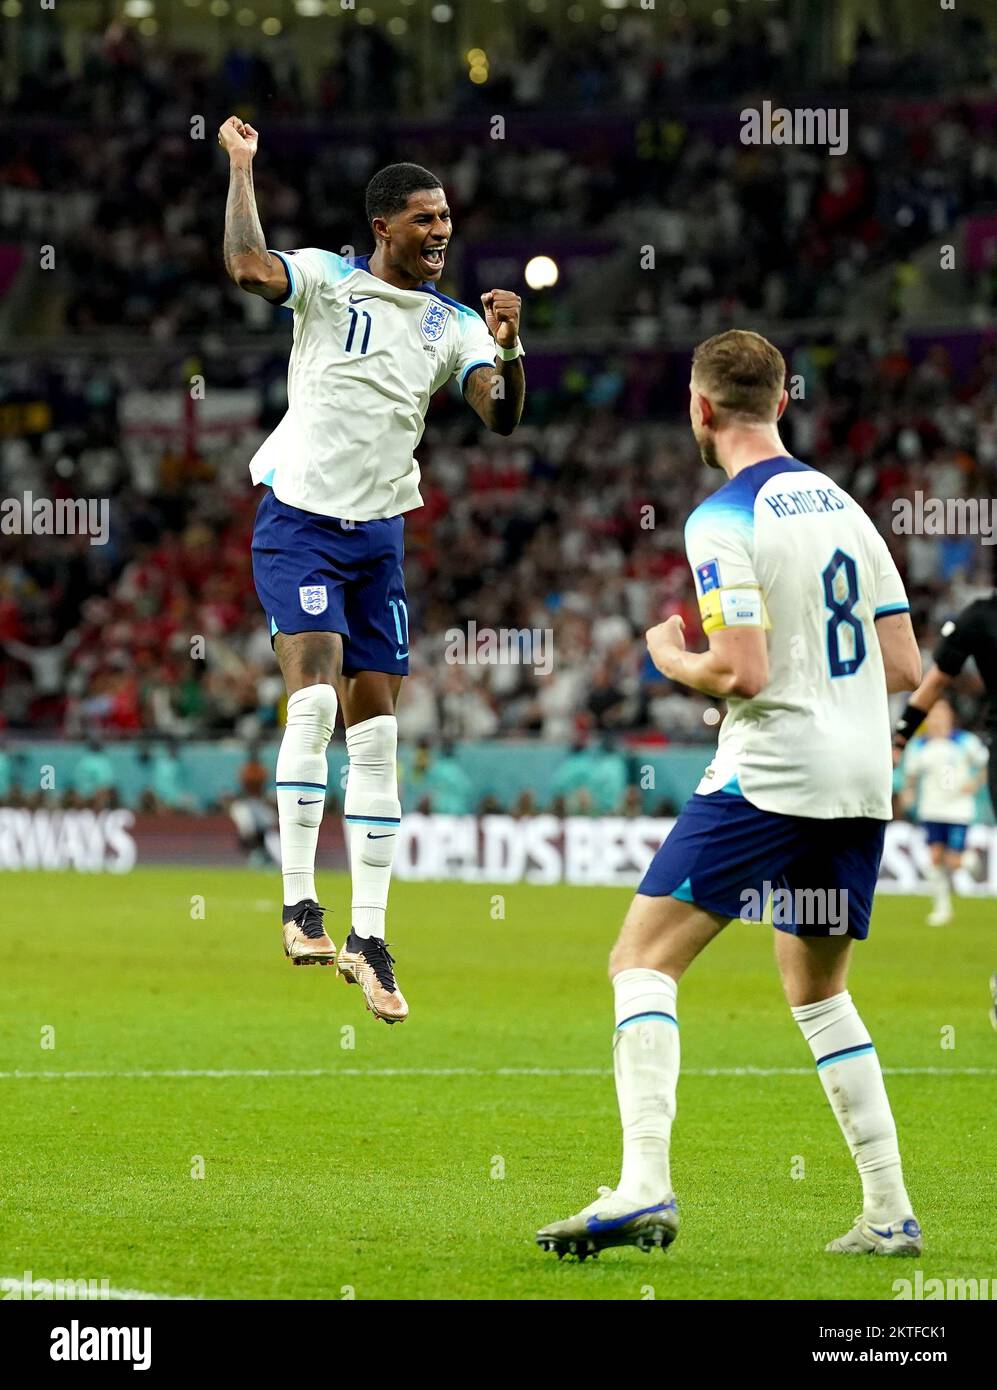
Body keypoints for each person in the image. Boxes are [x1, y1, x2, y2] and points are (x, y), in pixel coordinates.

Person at [537, 329, 924, 1260]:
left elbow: (741, 672)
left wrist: (672, 659)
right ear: (782, 402)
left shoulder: (720, 518)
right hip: (859, 775)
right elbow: (905, 665)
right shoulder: (846, 508)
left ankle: (641, 1186)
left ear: (700, 409)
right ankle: (887, 1212)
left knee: (640, 960)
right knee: (818, 991)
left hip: (774, 772)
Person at [219, 115, 525, 1023]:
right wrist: (240, 169)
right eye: (425, 218)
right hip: (300, 522)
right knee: (313, 702)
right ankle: (298, 904)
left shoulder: (452, 323)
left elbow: (498, 415)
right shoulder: (325, 280)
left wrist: (508, 349)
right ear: (384, 225)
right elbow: (246, 266)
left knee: (381, 735)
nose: (441, 232)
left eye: (448, 220)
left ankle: (369, 936)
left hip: (378, 537)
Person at [900, 699, 988, 925]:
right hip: (932, 809)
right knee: (935, 858)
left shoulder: (964, 741)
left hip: (958, 809)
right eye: (932, 714)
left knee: (953, 861)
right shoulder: (919, 746)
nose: (936, 719)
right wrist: (908, 792)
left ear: (949, 717)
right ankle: (942, 908)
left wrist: (974, 783)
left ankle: (970, 860)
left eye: (940, 714)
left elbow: (985, 764)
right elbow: (910, 775)